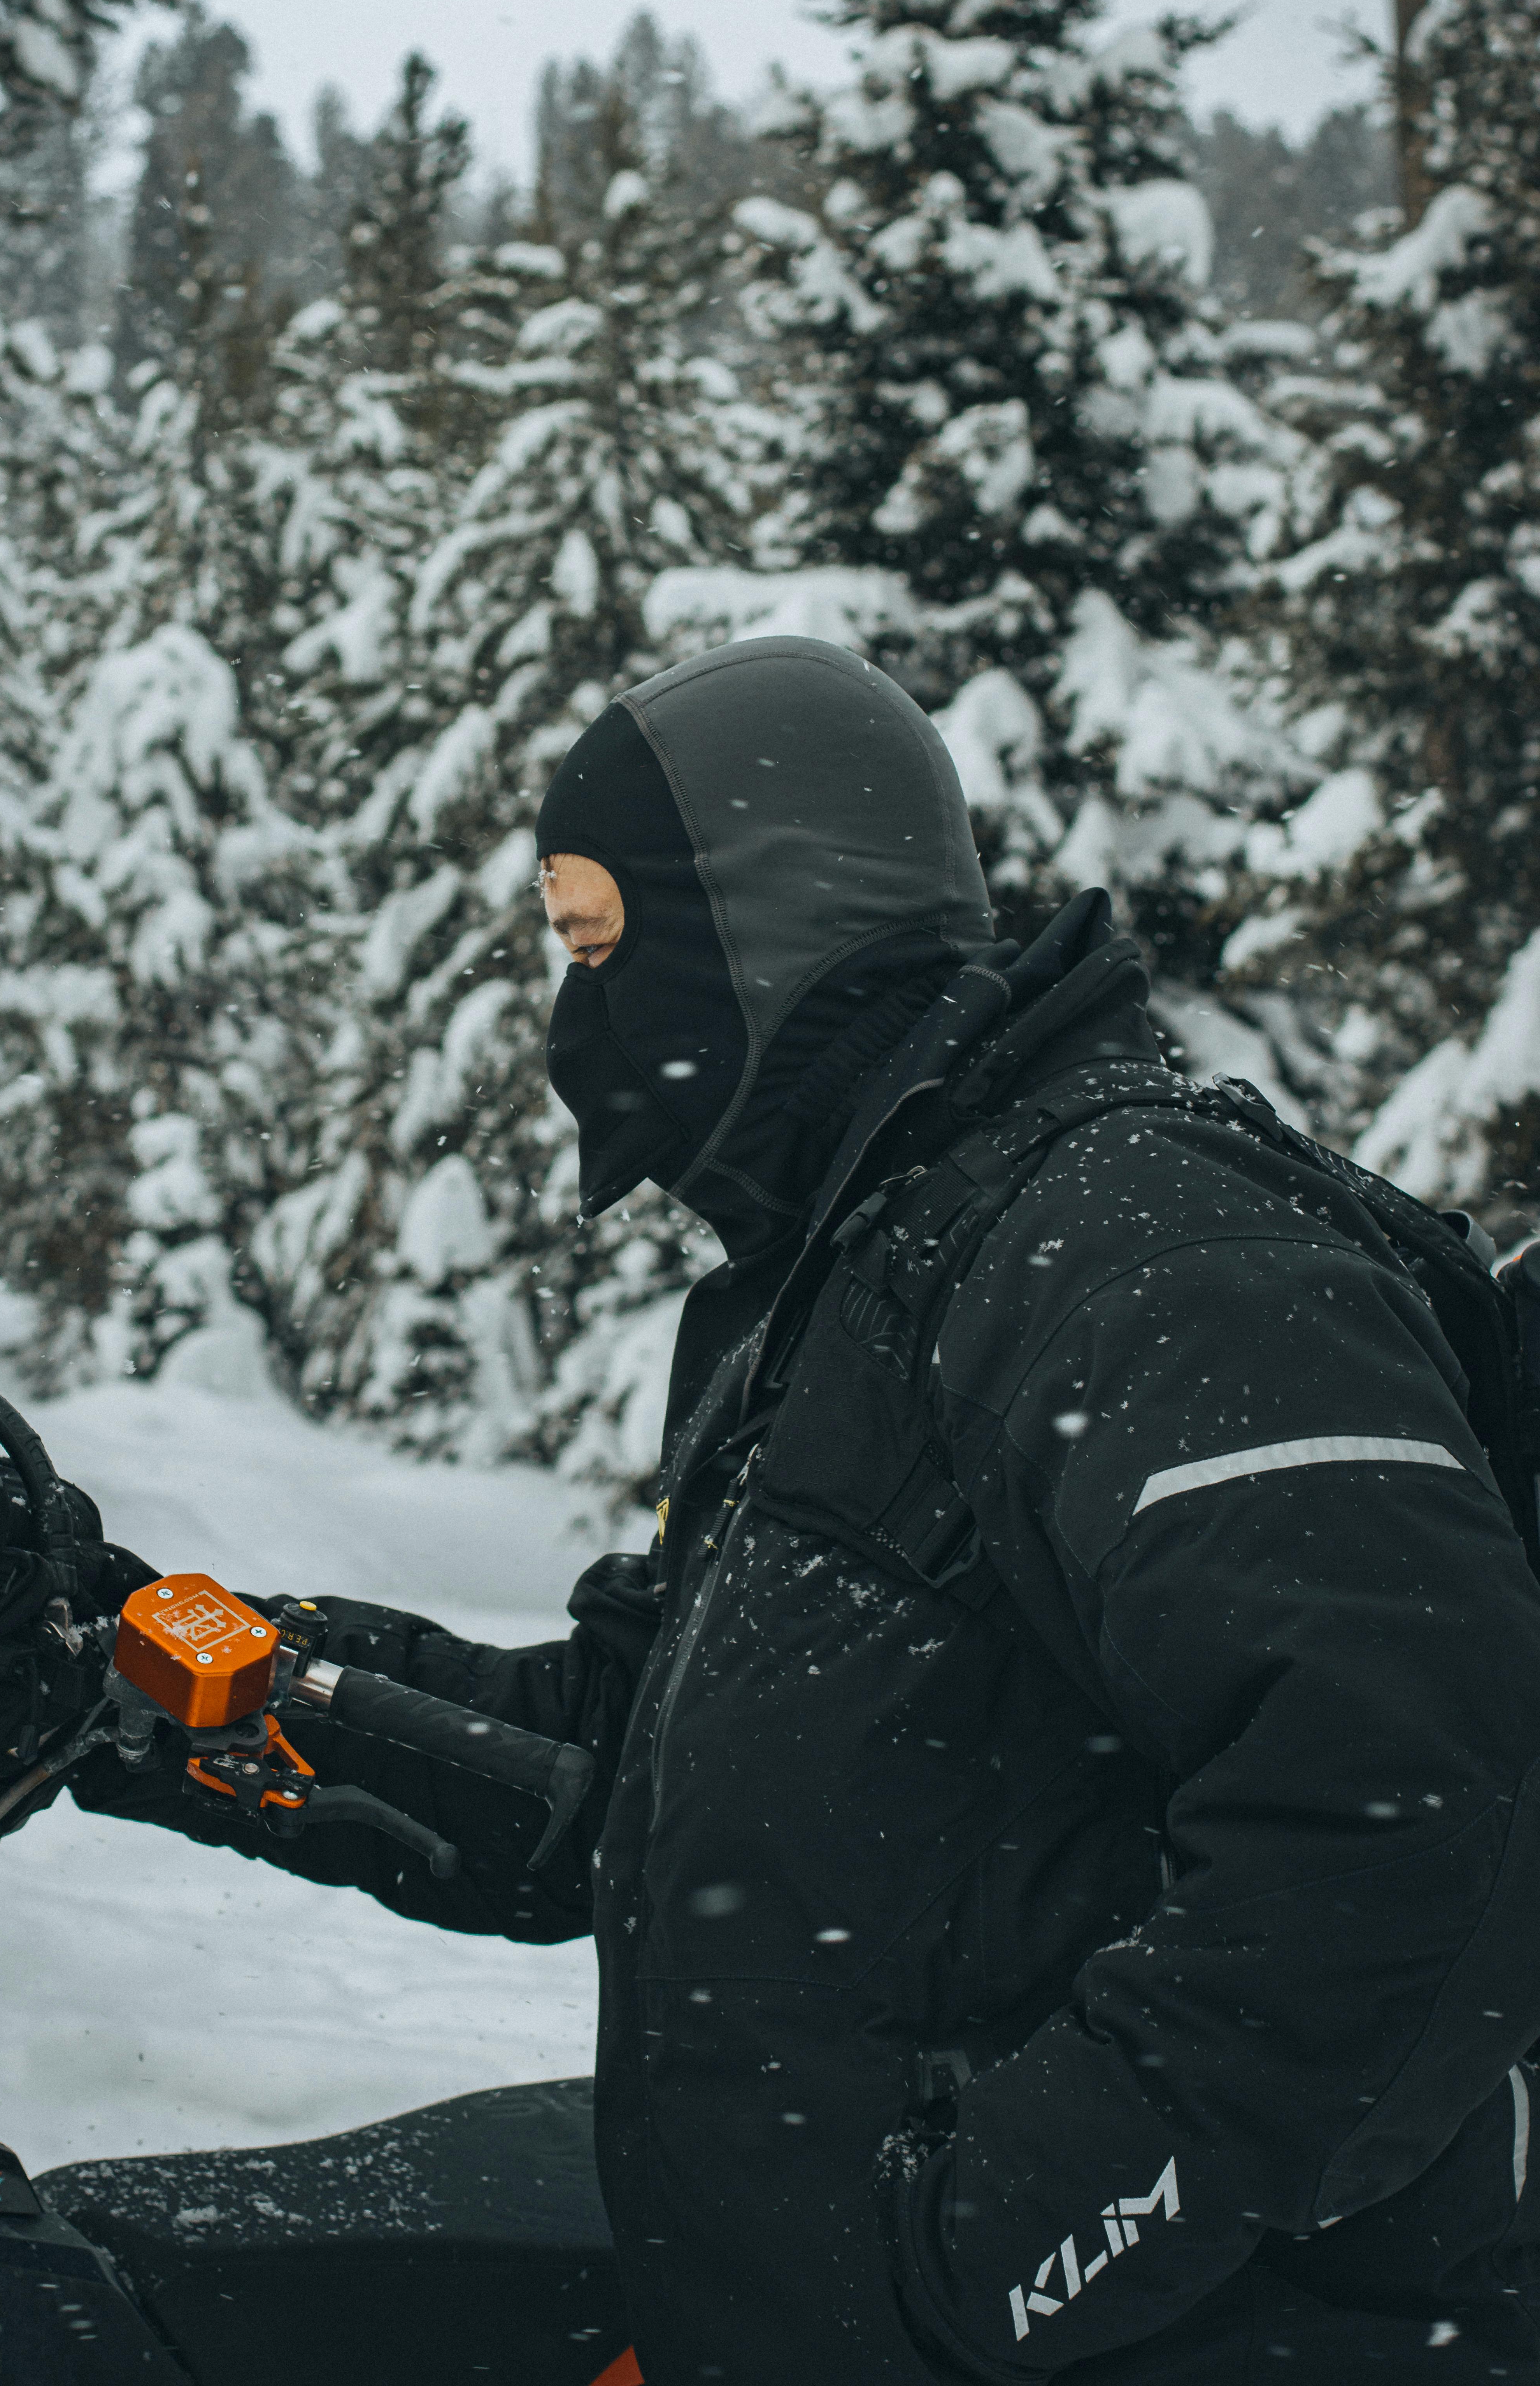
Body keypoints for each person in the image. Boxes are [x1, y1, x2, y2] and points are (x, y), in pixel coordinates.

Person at [78, 636, 1540, 2384]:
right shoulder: (876, 1274)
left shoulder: (1137, 1247)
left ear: (753, 926)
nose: (574, 1024)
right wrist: (150, 1668)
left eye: (598, 946)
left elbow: (1423, 1804)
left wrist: (995, 2261)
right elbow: (621, 1786)